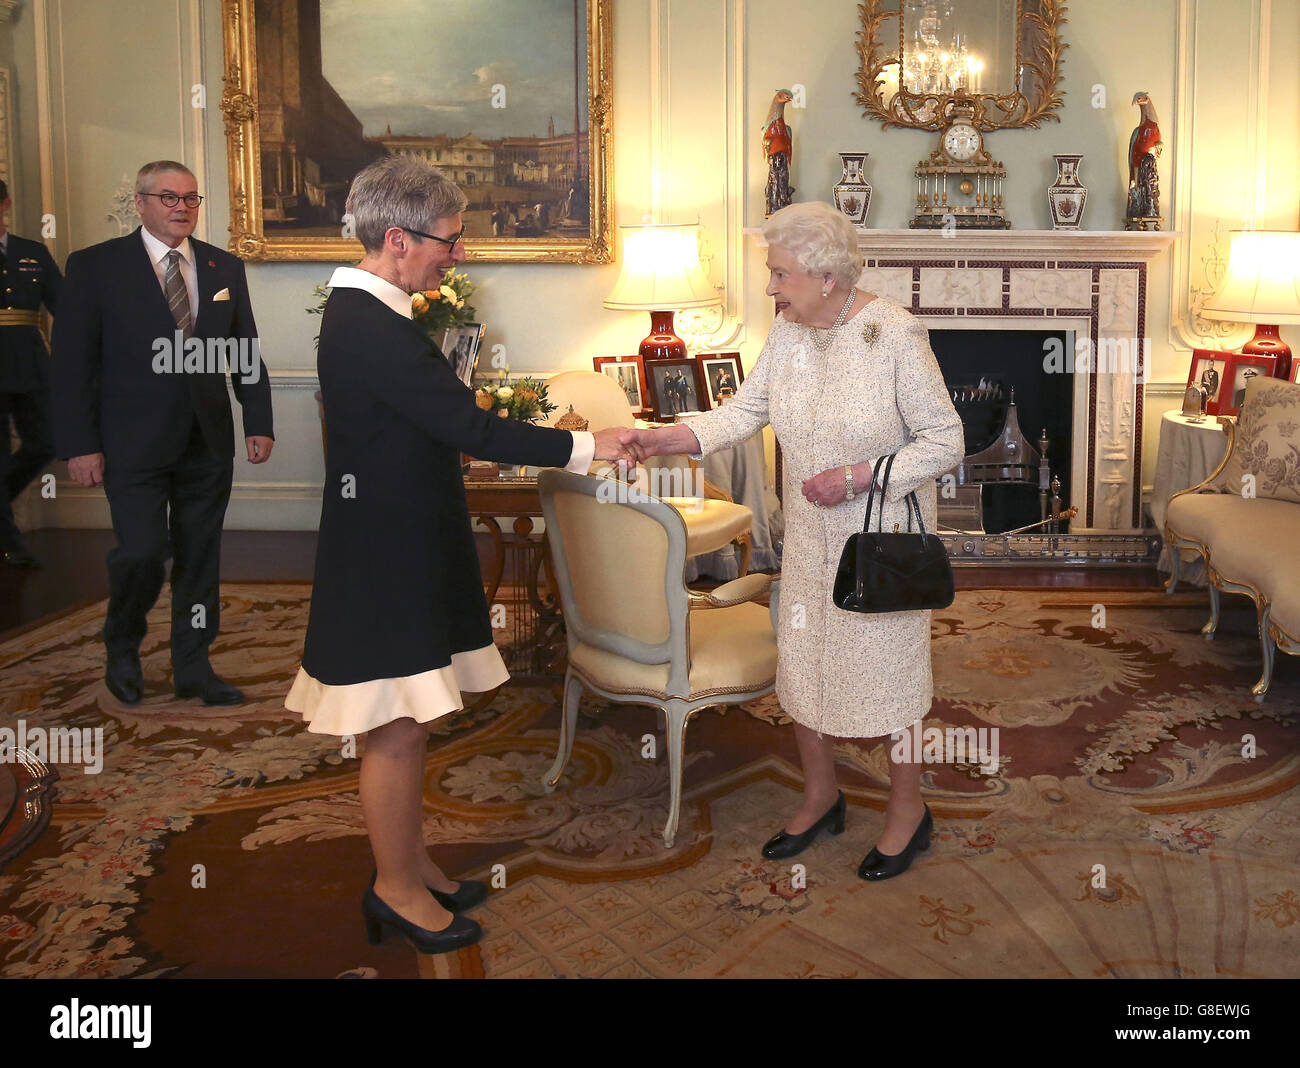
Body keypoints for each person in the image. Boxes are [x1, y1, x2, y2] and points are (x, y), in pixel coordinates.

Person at [284, 155, 638, 954]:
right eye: (452, 238)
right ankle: (397, 890)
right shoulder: (372, 324)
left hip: (397, 536)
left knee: (410, 717)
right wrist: (590, 444)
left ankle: (413, 867)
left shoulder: (371, 312)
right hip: (385, 554)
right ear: (400, 238)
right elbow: (469, 428)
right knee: (397, 725)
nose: (460, 253)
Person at [627, 201, 963, 881]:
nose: (773, 289)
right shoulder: (787, 332)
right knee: (805, 668)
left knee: (890, 678)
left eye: (781, 275)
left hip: (879, 540)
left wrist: (856, 477)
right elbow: (747, 410)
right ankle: (821, 794)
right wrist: (669, 437)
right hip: (809, 537)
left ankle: (908, 809)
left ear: (826, 275)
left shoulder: (895, 334)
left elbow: (947, 441)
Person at [52, 160, 274, 707]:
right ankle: (122, 646)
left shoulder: (224, 267)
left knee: (201, 557)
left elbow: (244, 348)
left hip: (206, 441)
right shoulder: (94, 266)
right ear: (141, 203)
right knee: (143, 552)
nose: (182, 208)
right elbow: (72, 364)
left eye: (191, 199)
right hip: (131, 441)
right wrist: (80, 444)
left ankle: (194, 666)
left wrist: (258, 420)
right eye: (169, 197)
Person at [0, 179, 61, 568]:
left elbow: (66, 306)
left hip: (29, 363)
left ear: (5, 204)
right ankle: (10, 544)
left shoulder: (31, 253)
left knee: (48, 441)